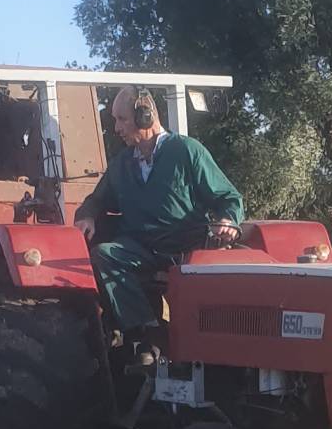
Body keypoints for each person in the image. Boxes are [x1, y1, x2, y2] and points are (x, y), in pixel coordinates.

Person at [75, 86, 244, 337]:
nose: (117, 128)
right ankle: (146, 332)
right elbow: (97, 199)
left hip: (184, 246)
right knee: (105, 254)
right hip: (139, 249)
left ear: (145, 116)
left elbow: (227, 197)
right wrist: (87, 215)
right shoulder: (122, 164)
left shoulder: (186, 151)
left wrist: (228, 220)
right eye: (115, 120)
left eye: (122, 119)